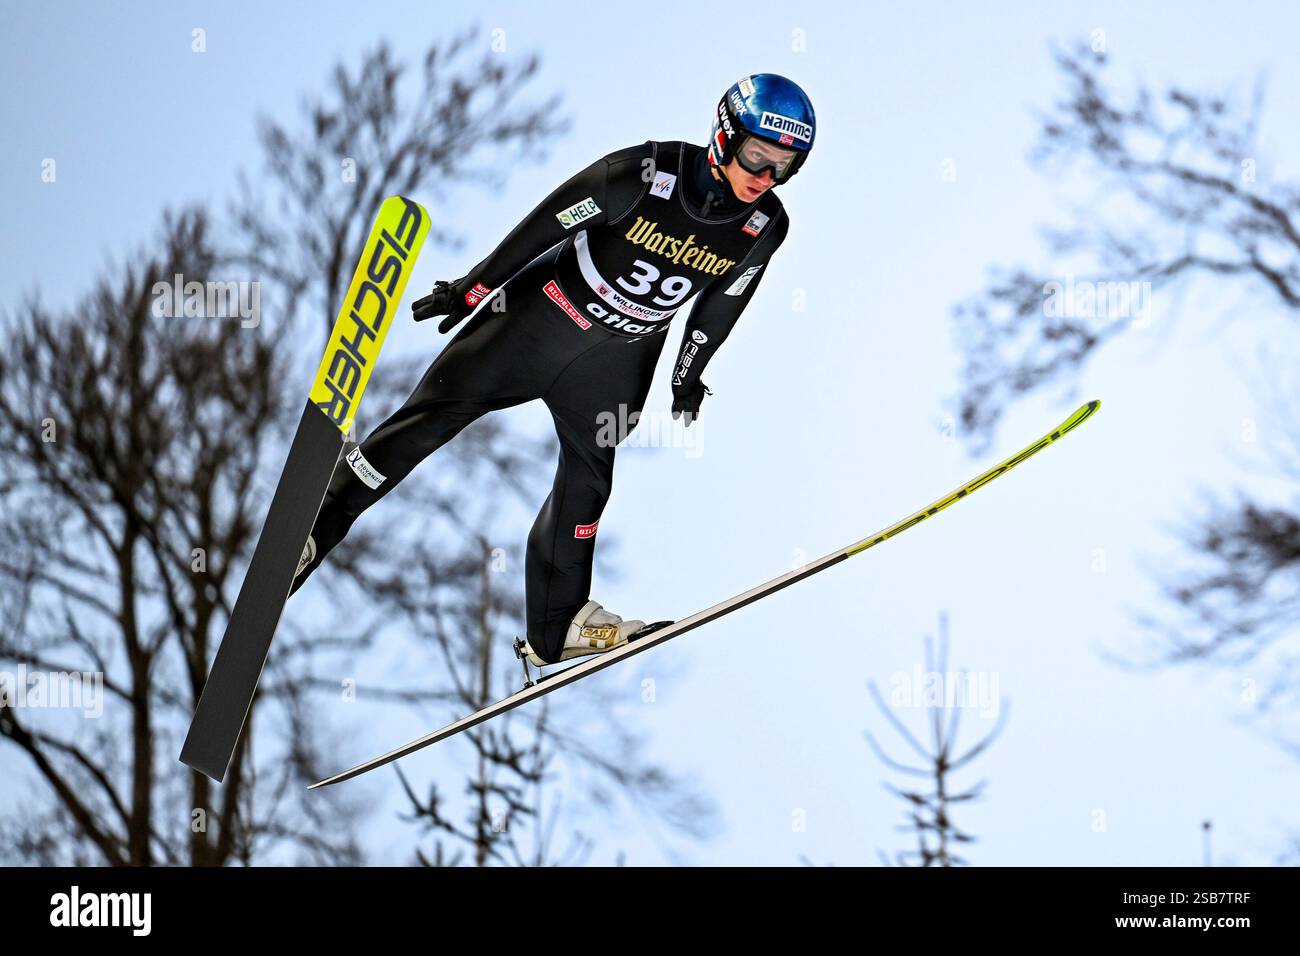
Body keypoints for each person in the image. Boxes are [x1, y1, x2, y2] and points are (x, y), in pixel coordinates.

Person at [291, 73, 816, 667]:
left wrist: (686, 375)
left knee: (588, 484)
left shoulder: (763, 228)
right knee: (430, 419)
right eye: (757, 157)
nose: (765, 178)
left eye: (784, 167)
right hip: (540, 321)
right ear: (724, 136)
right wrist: (474, 288)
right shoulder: (642, 175)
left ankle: (558, 624)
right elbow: (549, 223)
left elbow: (719, 308)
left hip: (617, 361)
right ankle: (314, 528)